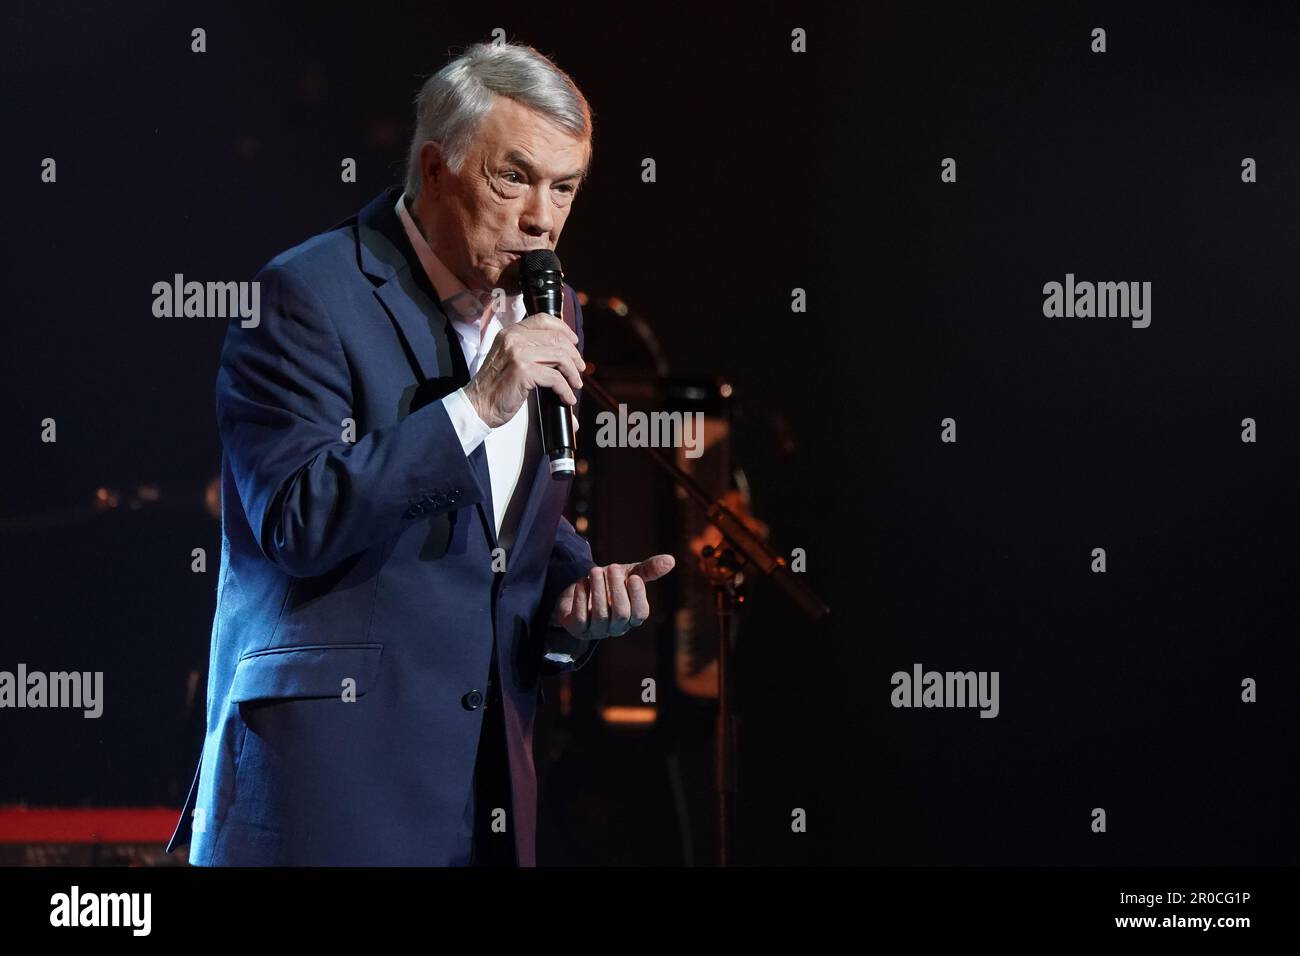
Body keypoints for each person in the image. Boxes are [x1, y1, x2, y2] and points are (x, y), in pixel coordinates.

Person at [165, 41, 674, 866]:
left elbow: (501, 530)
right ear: (436, 169)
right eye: (514, 179)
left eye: (565, 188)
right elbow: (297, 520)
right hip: (329, 789)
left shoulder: (554, 309)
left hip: (484, 793)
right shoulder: (303, 296)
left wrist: (574, 597)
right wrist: (474, 405)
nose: (542, 217)